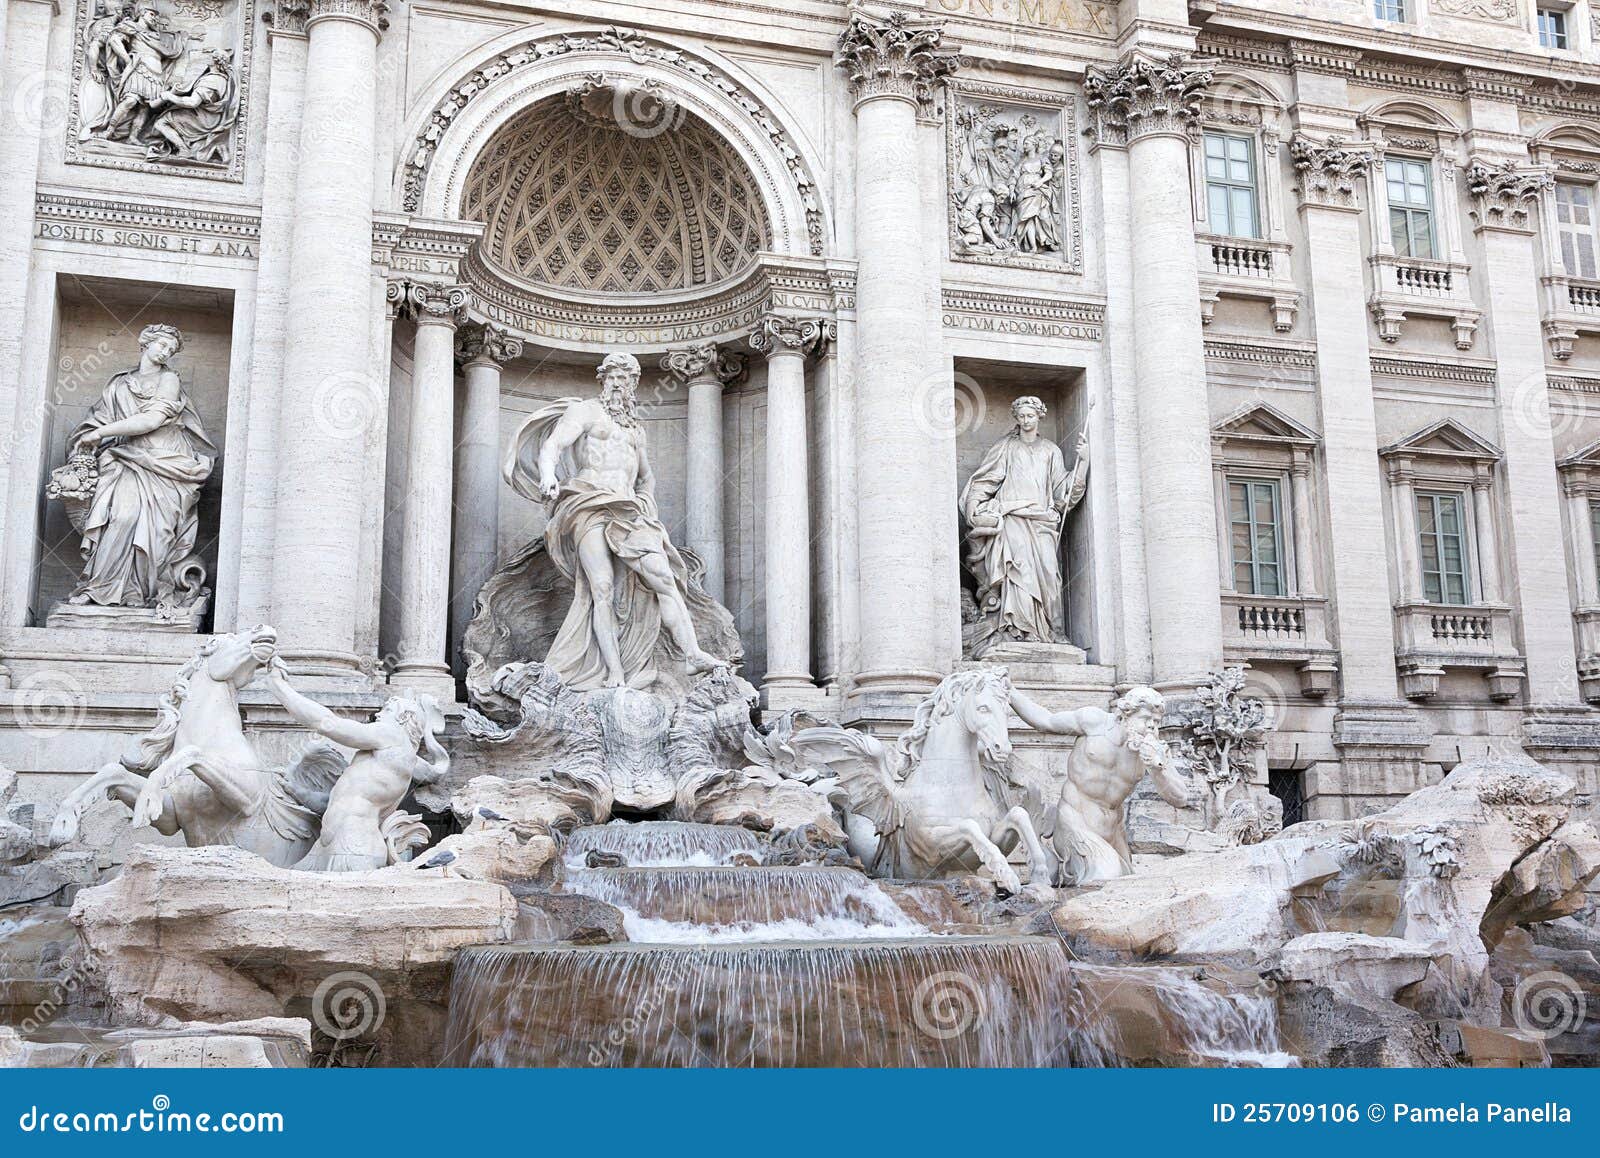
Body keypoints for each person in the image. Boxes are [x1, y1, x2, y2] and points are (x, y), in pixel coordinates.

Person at [503, 352, 724, 689]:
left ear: (635, 384)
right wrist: (548, 475)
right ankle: (615, 673)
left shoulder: (636, 429)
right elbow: (553, 445)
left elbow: (646, 477)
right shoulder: (585, 411)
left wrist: (646, 504)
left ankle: (692, 653)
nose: (619, 384)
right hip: (588, 503)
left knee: (664, 577)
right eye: (614, 377)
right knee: (601, 588)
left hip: (628, 510)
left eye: (626, 378)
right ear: (602, 380)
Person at [65, 323, 215, 611]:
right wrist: (89, 438)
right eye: (162, 345)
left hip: (166, 463)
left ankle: (143, 593)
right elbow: (96, 419)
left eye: (171, 349)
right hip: (126, 459)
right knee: (121, 517)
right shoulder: (119, 384)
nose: (167, 351)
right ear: (145, 343)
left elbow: (150, 421)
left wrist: (98, 434)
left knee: (157, 531)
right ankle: (99, 588)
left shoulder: (169, 380)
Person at [266, 663, 449, 872]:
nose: (379, 715)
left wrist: (279, 688)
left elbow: (327, 723)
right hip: (331, 845)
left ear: (404, 718)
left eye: (387, 710)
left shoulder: (392, 736)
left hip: (355, 846)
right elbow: (336, 802)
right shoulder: (387, 756)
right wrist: (297, 791)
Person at [1009, 685, 1198, 885]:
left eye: (1156, 721)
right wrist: (1010, 692)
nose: (1152, 727)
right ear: (1125, 715)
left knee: (1128, 888)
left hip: (1113, 832)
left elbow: (1180, 798)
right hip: (1075, 821)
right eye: (1145, 719)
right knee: (1107, 876)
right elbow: (1044, 721)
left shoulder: (1152, 749)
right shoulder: (1094, 722)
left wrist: (1158, 768)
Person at [959, 396, 1087, 649]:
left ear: (1040, 416)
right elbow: (986, 481)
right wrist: (974, 507)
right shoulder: (1005, 447)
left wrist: (1083, 462)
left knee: (1050, 576)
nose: (1026, 420)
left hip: (1042, 523)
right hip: (1012, 520)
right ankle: (1014, 630)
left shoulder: (1051, 450)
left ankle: (1048, 631)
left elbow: (1063, 491)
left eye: (1030, 416)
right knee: (1018, 574)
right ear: (1016, 418)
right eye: (1021, 416)